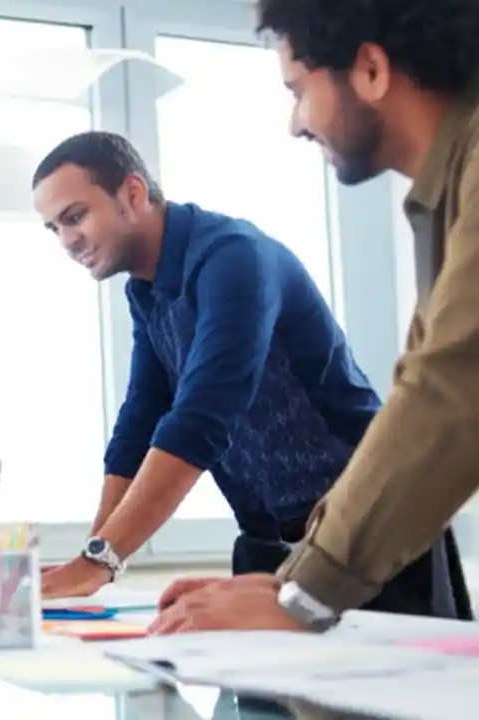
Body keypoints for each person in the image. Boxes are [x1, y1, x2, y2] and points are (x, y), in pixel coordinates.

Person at [33, 131, 468, 620]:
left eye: (75, 217)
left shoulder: (233, 257)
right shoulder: (145, 291)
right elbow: (139, 422)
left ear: (132, 194)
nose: (68, 241)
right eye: (54, 228)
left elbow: (202, 416)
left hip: (368, 537)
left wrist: (102, 559)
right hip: (271, 545)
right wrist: (94, 557)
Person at [153, 0, 479, 634]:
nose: (295, 125)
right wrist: (292, 580)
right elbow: (425, 382)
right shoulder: (449, 188)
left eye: (299, 91)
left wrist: (303, 592)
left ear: (371, 70)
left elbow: (453, 388)